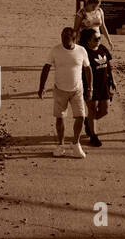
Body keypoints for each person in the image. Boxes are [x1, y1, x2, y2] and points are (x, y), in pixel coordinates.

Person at [38, 26, 92, 158]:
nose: (63, 41)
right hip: (60, 89)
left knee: (80, 116)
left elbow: (87, 69)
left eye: (66, 39)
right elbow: (46, 67)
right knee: (60, 118)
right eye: (62, 38)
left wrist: (90, 88)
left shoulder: (81, 51)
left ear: (74, 39)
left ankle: (76, 144)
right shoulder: (55, 50)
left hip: (77, 90)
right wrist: (41, 87)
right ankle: (61, 145)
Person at [80, 28, 114, 147]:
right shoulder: (84, 52)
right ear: (88, 40)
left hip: (104, 84)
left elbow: (109, 66)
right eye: (96, 39)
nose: (99, 40)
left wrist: (113, 82)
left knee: (105, 110)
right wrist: (87, 88)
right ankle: (93, 136)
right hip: (91, 86)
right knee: (92, 110)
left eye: (99, 38)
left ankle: (88, 122)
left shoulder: (102, 48)